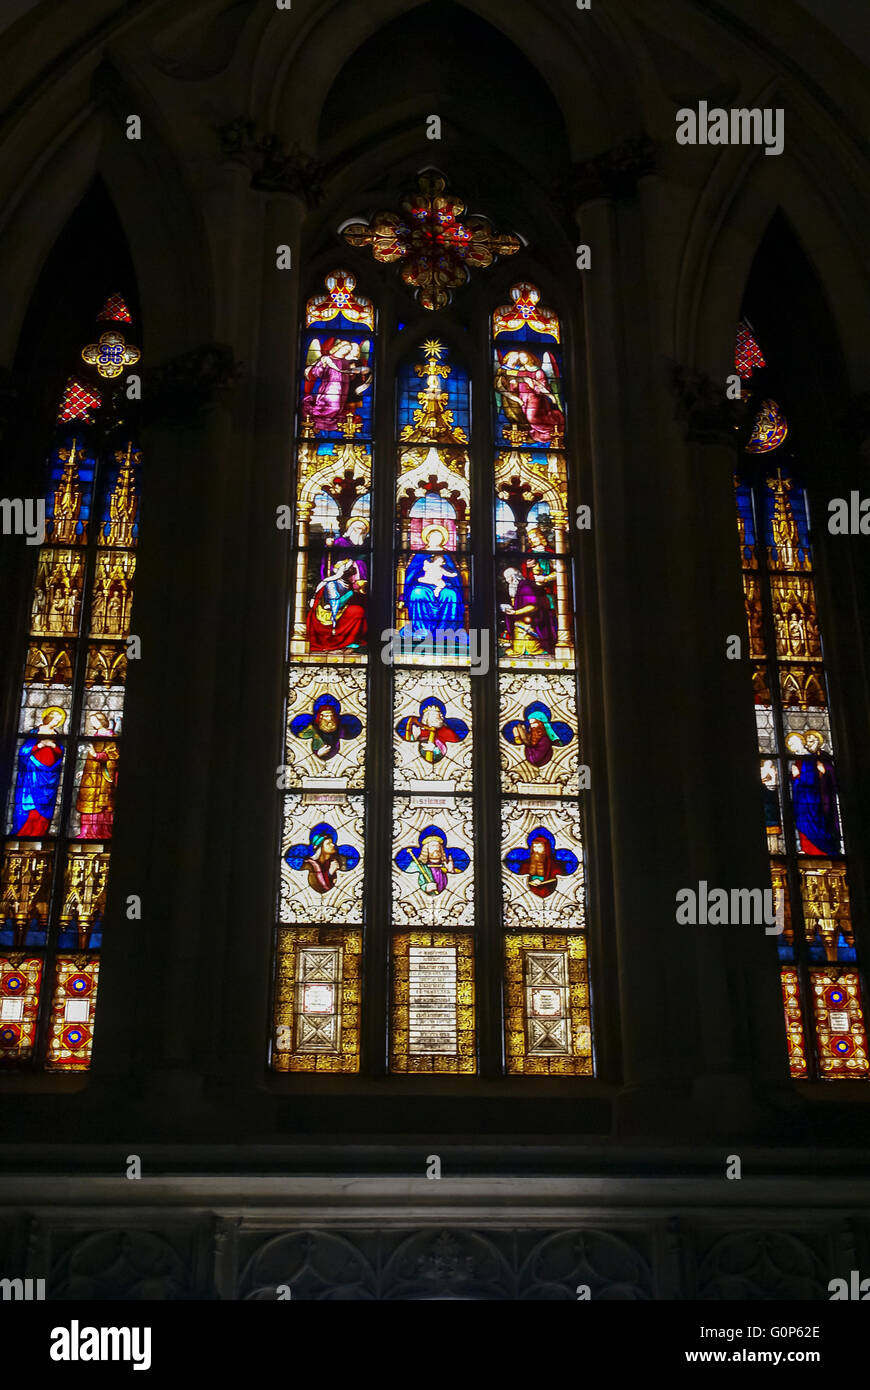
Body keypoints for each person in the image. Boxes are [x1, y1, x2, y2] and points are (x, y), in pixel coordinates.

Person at [12, 707, 66, 835]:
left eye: (59, 720)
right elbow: (24, 751)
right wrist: (40, 745)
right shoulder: (35, 732)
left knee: (47, 802)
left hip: (51, 774)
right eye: (56, 719)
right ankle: (25, 832)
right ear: (49, 718)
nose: (57, 722)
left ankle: (41, 832)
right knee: (31, 801)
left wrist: (53, 745)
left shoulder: (57, 735)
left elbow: (60, 752)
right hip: (33, 773)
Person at [75, 714, 119, 839]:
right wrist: (85, 771)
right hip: (90, 776)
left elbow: (113, 756)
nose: (93, 723)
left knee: (102, 806)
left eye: (95, 720)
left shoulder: (112, 737)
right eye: (91, 720)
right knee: (87, 802)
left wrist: (97, 755)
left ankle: (100, 833)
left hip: (102, 779)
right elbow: (90, 759)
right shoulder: (94, 737)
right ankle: (86, 833)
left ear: (102, 721)